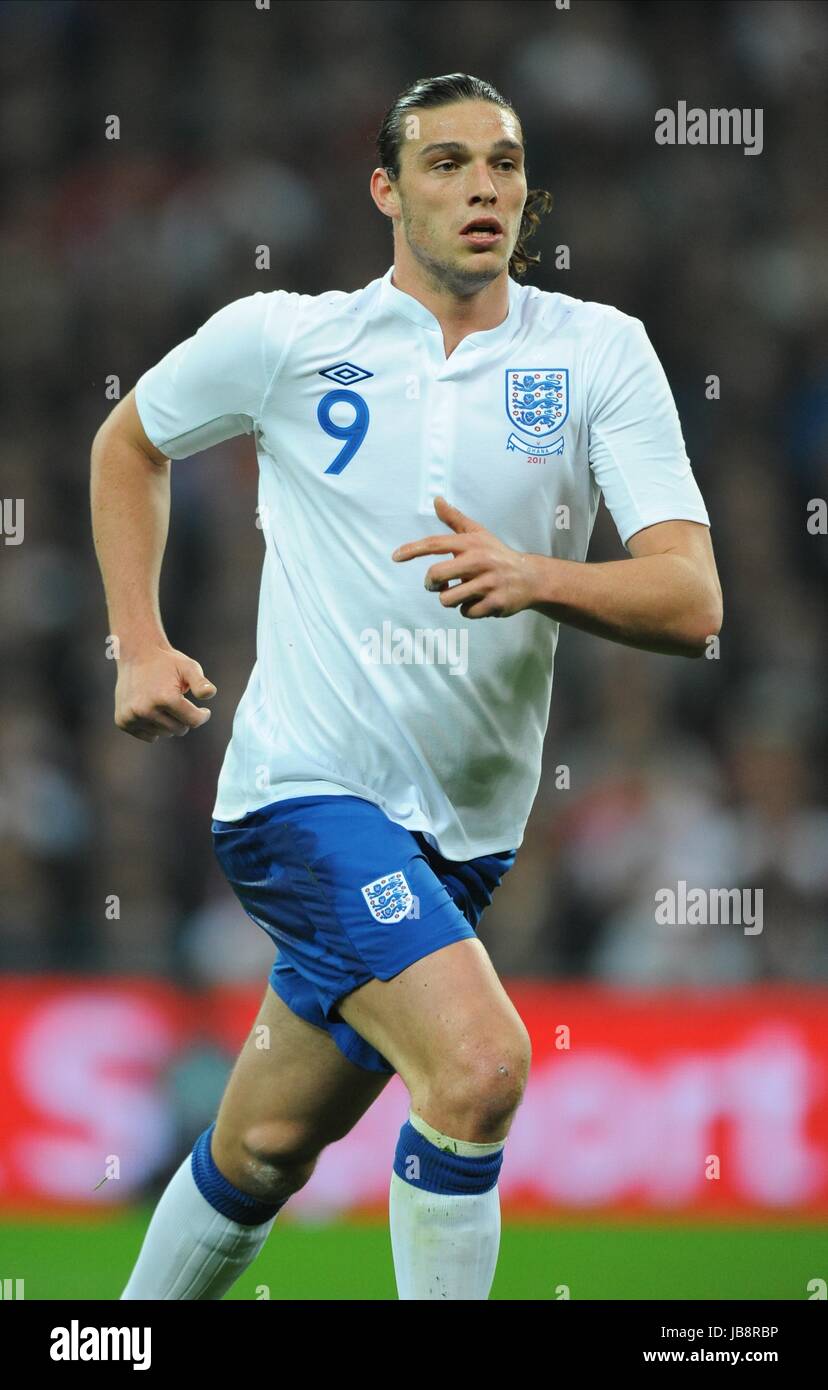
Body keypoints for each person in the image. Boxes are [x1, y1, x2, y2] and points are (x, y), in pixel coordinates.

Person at [91, 72, 722, 1300]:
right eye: (445, 163)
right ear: (387, 189)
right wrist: (137, 640)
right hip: (302, 795)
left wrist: (539, 574)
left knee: (264, 1147)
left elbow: (691, 598)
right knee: (480, 1065)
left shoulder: (599, 353)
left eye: (504, 162)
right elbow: (131, 441)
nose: (482, 185)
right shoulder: (288, 336)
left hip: (467, 840)